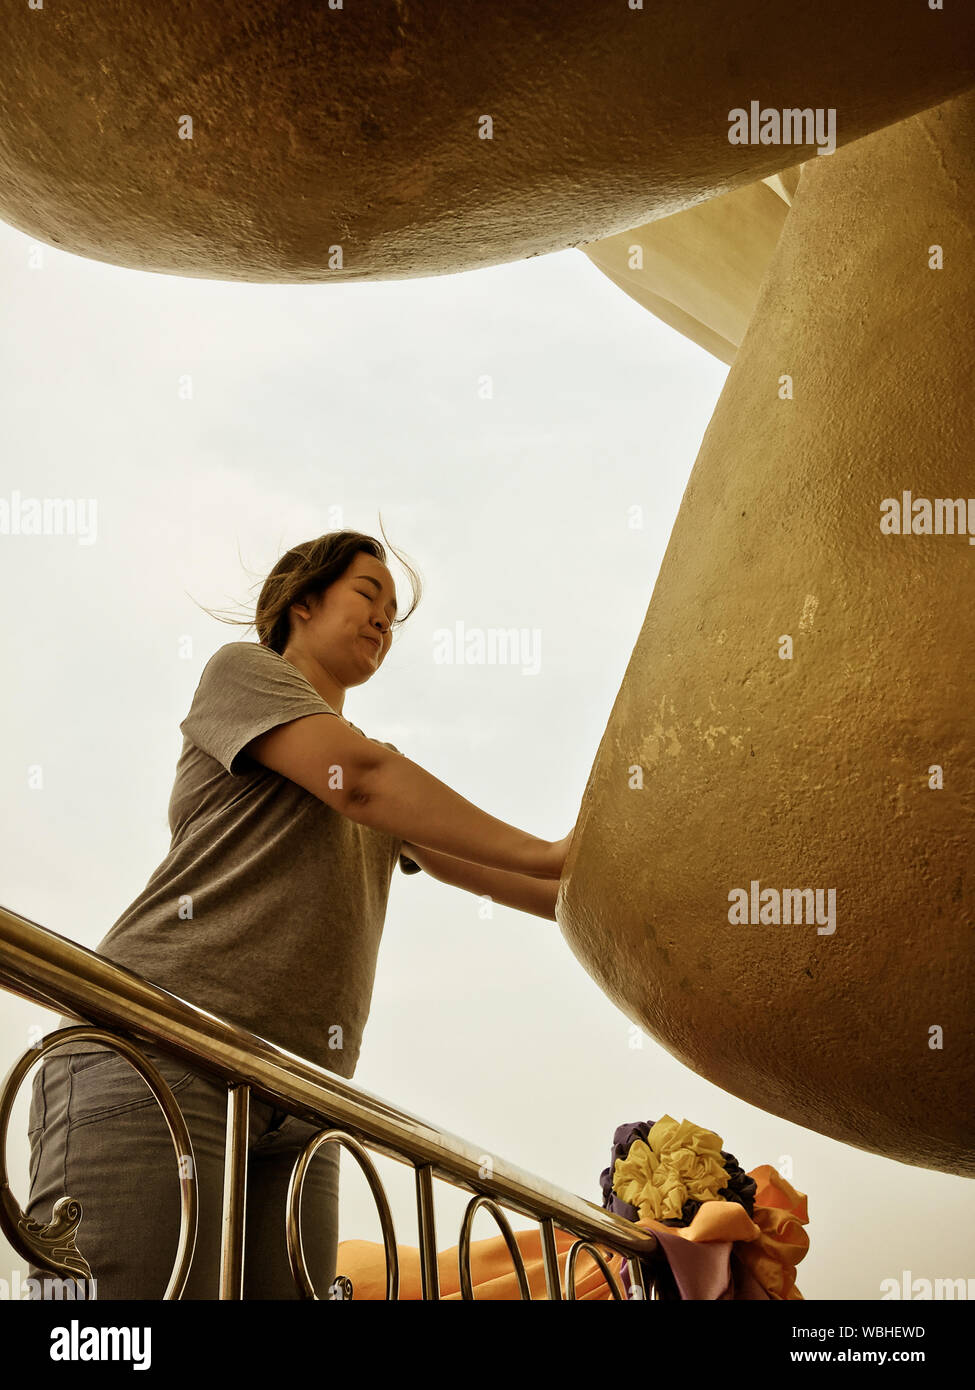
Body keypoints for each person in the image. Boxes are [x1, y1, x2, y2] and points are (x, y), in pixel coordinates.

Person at [24, 528, 573, 1299]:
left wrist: (603, 890)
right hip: (158, 1050)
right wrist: (555, 852)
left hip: (296, 1100)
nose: (385, 620)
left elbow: (500, 878)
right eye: (368, 596)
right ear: (302, 602)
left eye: (394, 614)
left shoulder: (373, 772)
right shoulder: (245, 677)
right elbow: (363, 783)